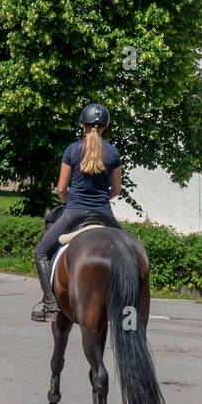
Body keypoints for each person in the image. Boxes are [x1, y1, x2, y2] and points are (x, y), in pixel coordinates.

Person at [32, 102, 122, 322]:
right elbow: (117, 190)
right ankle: (129, 304)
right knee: (132, 250)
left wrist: (67, 203)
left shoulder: (72, 150)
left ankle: (50, 305)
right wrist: (102, 199)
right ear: (105, 127)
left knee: (41, 253)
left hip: (74, 212)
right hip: (104, 213)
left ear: (83, 125)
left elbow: (61, 188)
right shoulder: (112, 152)